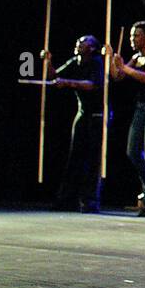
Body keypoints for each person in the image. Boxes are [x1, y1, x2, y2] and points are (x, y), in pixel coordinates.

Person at [109, 22, 145, 217]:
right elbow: (117, 76)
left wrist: (124, 69)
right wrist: (112, 61)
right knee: (133, 151)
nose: (132, 40)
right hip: (141, 107)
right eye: (131, 36)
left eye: (136, 36)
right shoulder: (136, 57)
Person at [48, 35, 107, 212]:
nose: (79, 45)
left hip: (98, 114)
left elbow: (93, 85)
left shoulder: (97, 62)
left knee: (93, 158)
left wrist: (67, 83)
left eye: (83, 43)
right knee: (75, 157)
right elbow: (54, 75)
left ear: (92, 48)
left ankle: (90, 200)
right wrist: (48, 61)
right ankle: (66, 199)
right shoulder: (76, 61)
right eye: (78, 42)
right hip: (83, 113)